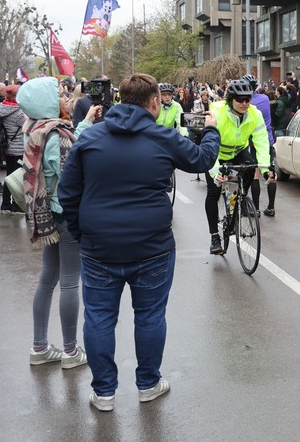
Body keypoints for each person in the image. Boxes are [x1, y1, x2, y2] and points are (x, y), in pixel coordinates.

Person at [58, 73, 220, 413]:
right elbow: (203, 160)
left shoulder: (89, 138)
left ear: (120, 100)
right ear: (155, 103)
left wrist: (83, 231)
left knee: (99, 317)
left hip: (100, 247)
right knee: (149, 316)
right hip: (152, 247)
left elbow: (68, 194)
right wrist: (212, 128)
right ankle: (147, 383)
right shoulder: (162, 136)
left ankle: (104, 392)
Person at [18, 77, 88, 371]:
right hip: (65, 213)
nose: (62, 97)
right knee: (71, 282)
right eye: (56, 94)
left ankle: (40, 346)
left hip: (44, 215)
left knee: (47, 280)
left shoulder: (33, 129)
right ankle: (71, 351)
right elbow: (69, 169)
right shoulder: (57, 134)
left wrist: (82, 126)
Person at [204, 79, 271, 254]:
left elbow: (262, 141)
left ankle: (238, 200)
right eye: (239, 99)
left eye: (247, 99)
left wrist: (265, 169)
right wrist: (215, 173)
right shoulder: (217, 112)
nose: (244, 103)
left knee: (250, 167)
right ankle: (214, 237)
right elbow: (208, 144)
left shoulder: (254, 114)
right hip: (215, 152)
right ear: (231, 99)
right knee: (214, 192)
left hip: (238, 150)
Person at [243, 74, 278, 217]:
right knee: (270, 172)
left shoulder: (246, 102)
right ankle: (271, 207)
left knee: (255, 174)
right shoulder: (265, 99)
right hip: (267, 139)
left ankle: (255, 209)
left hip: (252, 141)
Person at [0, 83, 27, 217]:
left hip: (9, 146)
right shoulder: (18, 112)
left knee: (9, 176)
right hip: (19, 147)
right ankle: (16, 205)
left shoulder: (3, 107)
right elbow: (27, 125)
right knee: (16, 178)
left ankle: (5, 203)